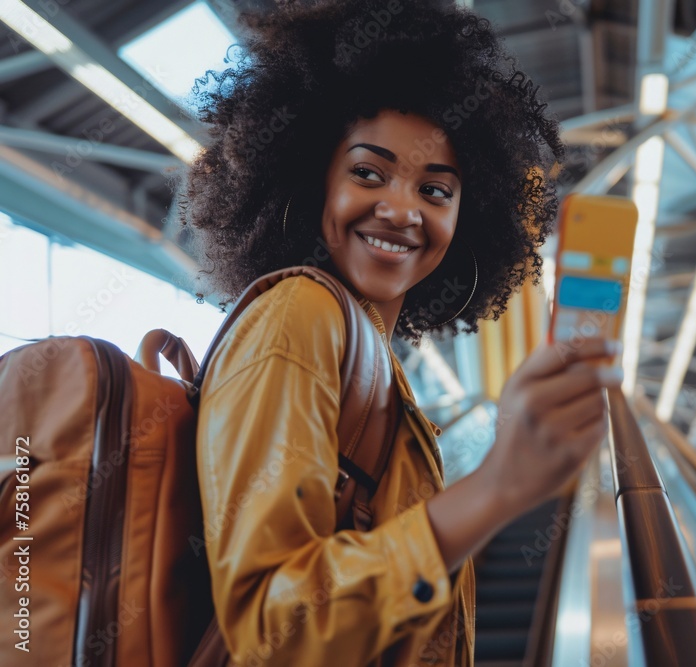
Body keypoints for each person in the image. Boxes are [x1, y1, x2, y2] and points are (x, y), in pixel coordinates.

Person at [178, 1, 624, 665]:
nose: (401, 209)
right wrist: (498, 484)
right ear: (311, 177)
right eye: (368, 172)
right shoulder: (297, 315)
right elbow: (273, 631)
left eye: (436, 190)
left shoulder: (375, 364)